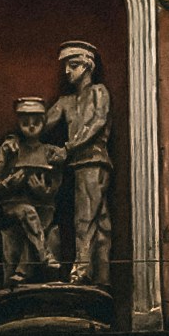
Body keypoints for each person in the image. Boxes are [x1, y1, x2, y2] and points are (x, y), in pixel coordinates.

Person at [45, 41, 112, 289]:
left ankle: (82, 272)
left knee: (86, 218)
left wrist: (68, 148)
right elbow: (43, 124)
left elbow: (97, 124)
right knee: (100, 221)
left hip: (94, 162)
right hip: (80, 165)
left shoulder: (99, 92)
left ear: (86, 66)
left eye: (72, 66)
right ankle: (102, 276)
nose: (67, 72)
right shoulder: (66, 102)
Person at [0, 97, 64, 290]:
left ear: (43, 123)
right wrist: (12, 182)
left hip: (44, 207)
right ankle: (44, 256)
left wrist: (43, 191)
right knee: (29, 213)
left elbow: (56, 188)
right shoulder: (10, 149)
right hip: (14, 205)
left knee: (42, 217)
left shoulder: (50, 152)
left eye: (36, 122)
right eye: (25, 122)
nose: (31, 127)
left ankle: (22, 271)